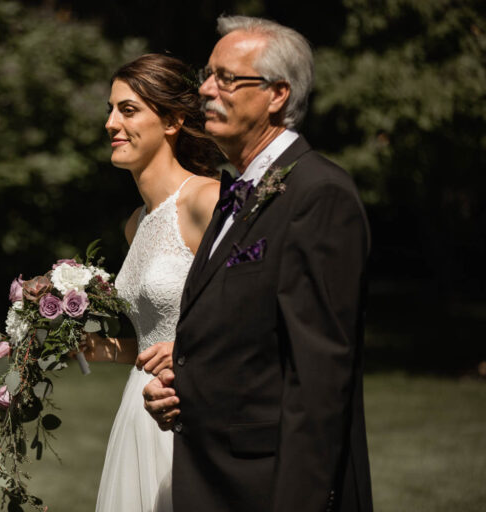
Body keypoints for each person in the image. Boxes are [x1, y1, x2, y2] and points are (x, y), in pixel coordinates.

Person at [142, 15, 373, 512]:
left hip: (267, 488)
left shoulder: (319, 195)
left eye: (226, 78)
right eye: (208, 75)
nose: (205, 89)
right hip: (212, 477)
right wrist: (185, 383)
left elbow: (319, 380)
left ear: (277, 94)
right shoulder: (236, 193)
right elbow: (249, 330)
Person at [79, 53, 222, 512]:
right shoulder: (135, 224)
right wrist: (89, 347)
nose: (110, 124)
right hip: (137, 417)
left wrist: (189, 348)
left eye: (128, 109)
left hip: (191, 413)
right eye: (110, 109)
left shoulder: (206, 200)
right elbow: (154, 339)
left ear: (173, 120)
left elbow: (247, 311)